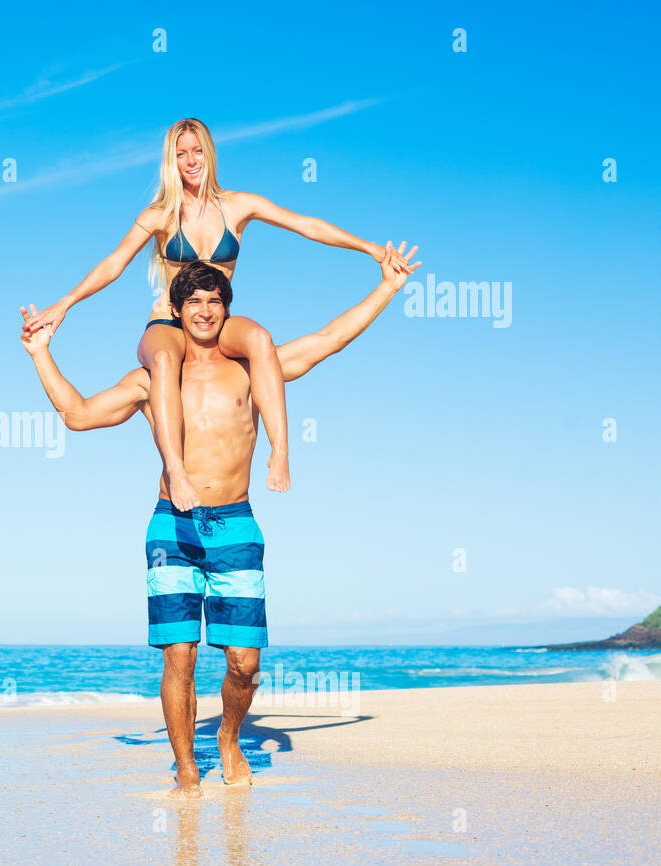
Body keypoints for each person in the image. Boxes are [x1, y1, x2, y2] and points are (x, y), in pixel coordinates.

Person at [21, 242, 420, 798]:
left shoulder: (252, 370)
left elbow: (327, 341)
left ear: (225, 310)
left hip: (235, 523)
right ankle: (187, 768)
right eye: (194, 302)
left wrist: (387, 287)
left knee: (243, 660)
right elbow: (78, 415)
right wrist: (41, 353)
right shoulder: (154, 379)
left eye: (215, 301)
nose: (205, 310)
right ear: (177, 313)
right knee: (178, 656)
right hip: (173, 526)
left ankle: (229, 737)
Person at [22, 117, 408, 510]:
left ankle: (280, 453)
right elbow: (114, 264)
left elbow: (305, 226)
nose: (191, 160)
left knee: (259, 339)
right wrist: (64, 305)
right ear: (171, 162)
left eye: (197, 150)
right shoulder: (159, 215)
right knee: (166, 359)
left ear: (209, 152)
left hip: (216, 321)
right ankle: (176, 469)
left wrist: (373, 250)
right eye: (181, 153)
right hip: (169, 323)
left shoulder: (240, 206)